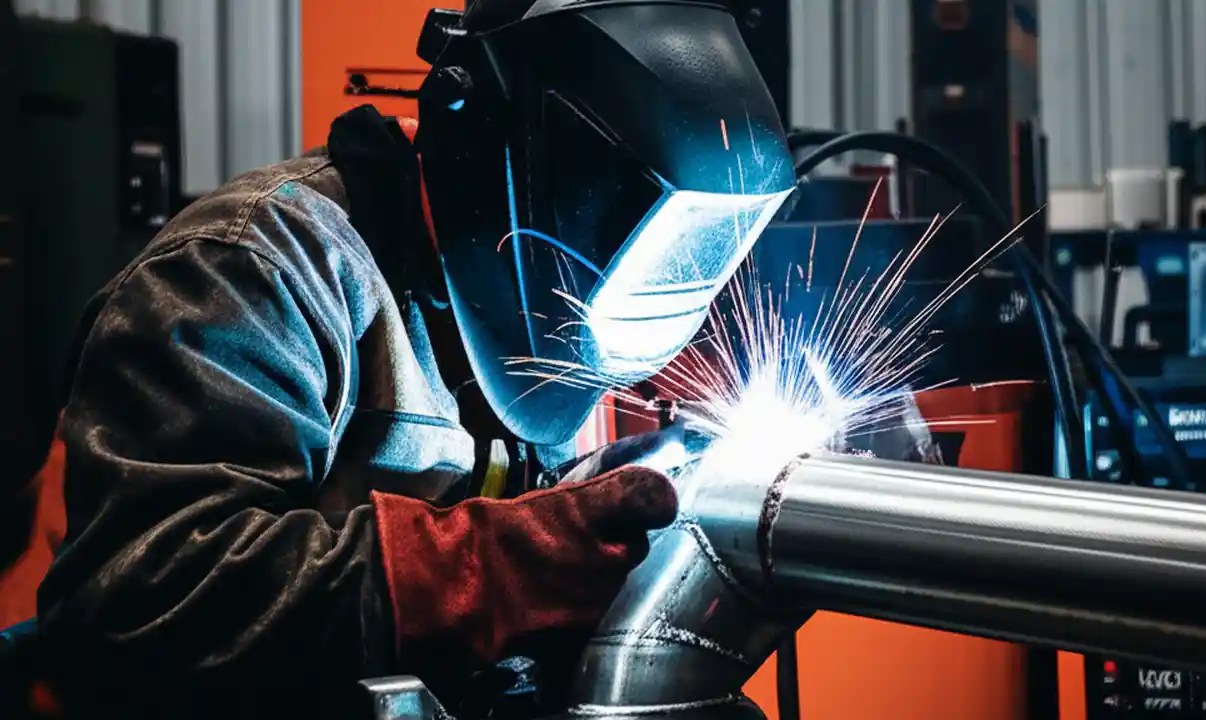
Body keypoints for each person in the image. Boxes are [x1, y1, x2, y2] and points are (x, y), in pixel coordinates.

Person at [33, 1, 797, 717]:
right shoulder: (254, 269)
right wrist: (494, 568)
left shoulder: (546, 306)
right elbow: (140, 603)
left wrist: (579, 507)